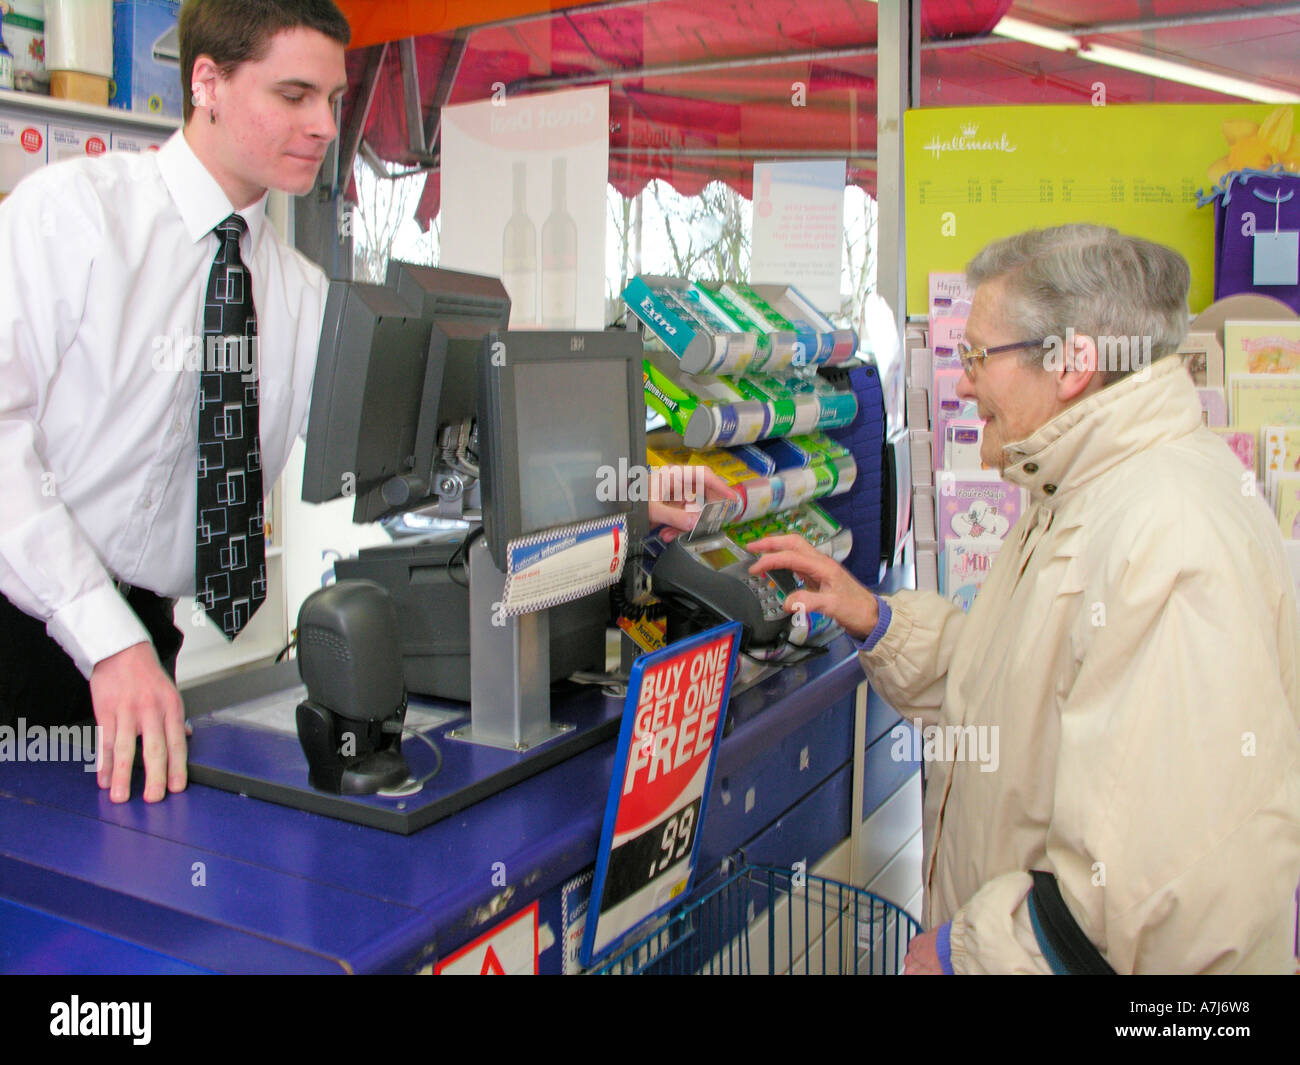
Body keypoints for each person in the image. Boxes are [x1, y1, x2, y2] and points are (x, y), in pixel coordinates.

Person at [749, 224, 1300, 974]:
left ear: (1072, 364)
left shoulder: (1169, 540)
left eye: (977, 356)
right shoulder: (1085, 492)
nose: (964, 382)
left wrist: (966, 954)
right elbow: (1019, 686)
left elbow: (1154, 902)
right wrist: (878, 617)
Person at [0, 0, 350, 804]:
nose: (325, 125)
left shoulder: (301, 294)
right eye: (295, 95)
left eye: (333, 100)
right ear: (208, 83)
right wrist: (103, 635)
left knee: (119, 894)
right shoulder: (70, 215)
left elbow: (393, 434)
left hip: (145, 639)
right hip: (22, 617)